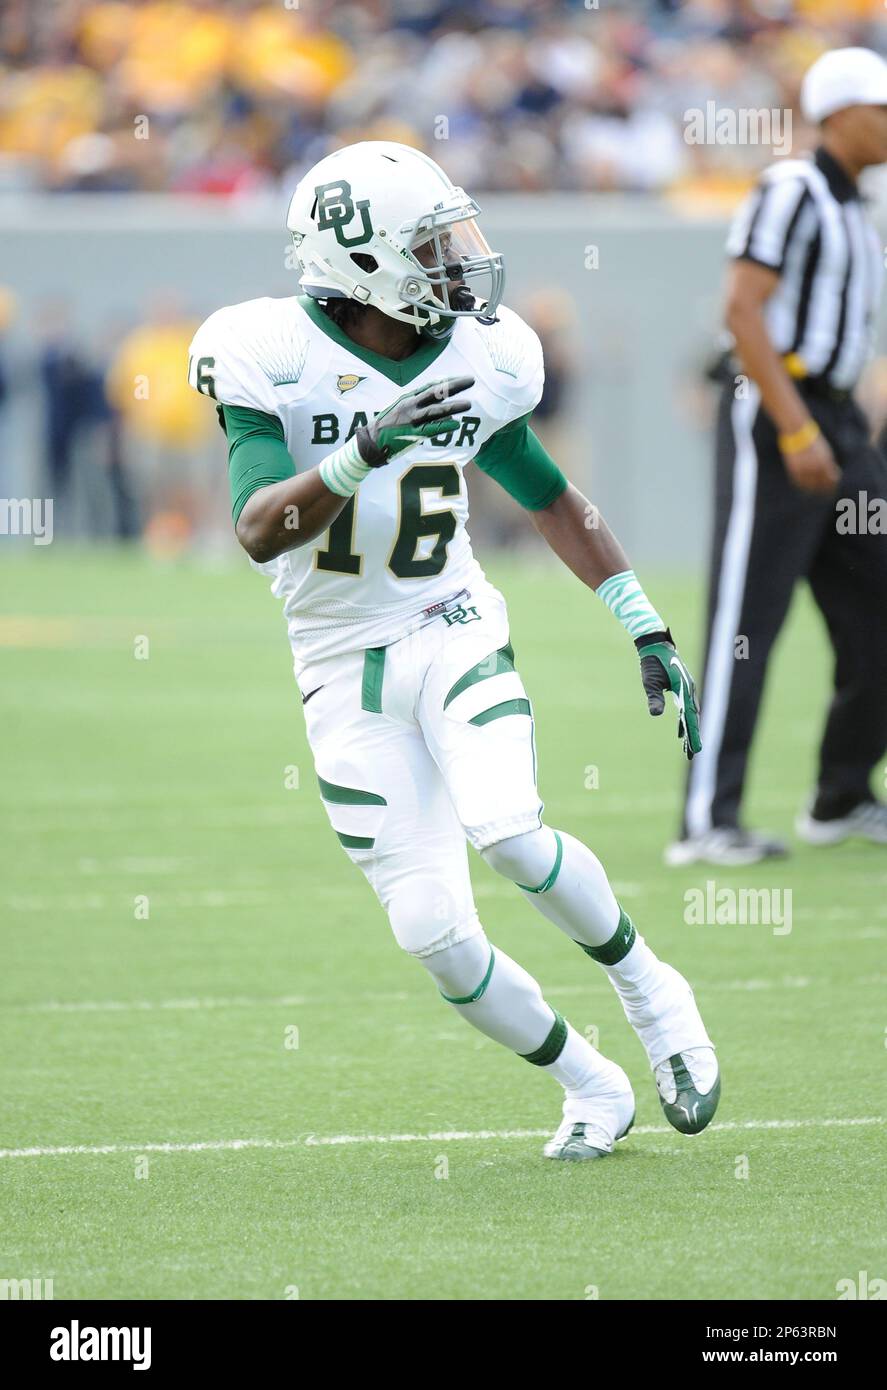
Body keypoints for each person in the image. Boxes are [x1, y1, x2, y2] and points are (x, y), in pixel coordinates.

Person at [189, 141, 719, 1160]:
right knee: (430, 931)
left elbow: (549, 494)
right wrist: (364, 448)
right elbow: (256, 527)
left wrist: (639, 616)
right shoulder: (270, 353)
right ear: (361, 260)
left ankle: (654, 994)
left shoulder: (483, 351)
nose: (456, 263)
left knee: (508, 830)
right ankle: (589, 1082)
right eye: (429, 247)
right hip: (339, 659)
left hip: (448, 619)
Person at [670, 48, 887, 867]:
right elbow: (741, 310)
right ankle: (705, 819)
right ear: (838, 112)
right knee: (745, 621)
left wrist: (836, 431)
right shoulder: (791, 188)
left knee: (877, 600)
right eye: (881, 107)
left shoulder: (856, 210)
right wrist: (795, 429)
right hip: (775, 411)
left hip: (835, 419)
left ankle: (840, 793)